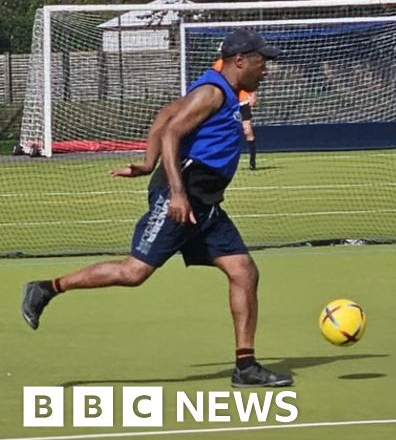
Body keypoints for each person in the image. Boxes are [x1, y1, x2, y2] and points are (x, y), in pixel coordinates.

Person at [21, 29, 293, 388]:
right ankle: (46, 288)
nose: (266, 69)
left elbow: (165, 114)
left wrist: (148, 163)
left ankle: (245, 367)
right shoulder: (212, 93)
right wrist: (175, 193)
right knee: (133, 273)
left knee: (243, 270)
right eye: (261, 61)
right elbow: (171, 132)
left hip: (206, 203)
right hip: (180, 198)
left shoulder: (221, 91)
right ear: (239, 60)